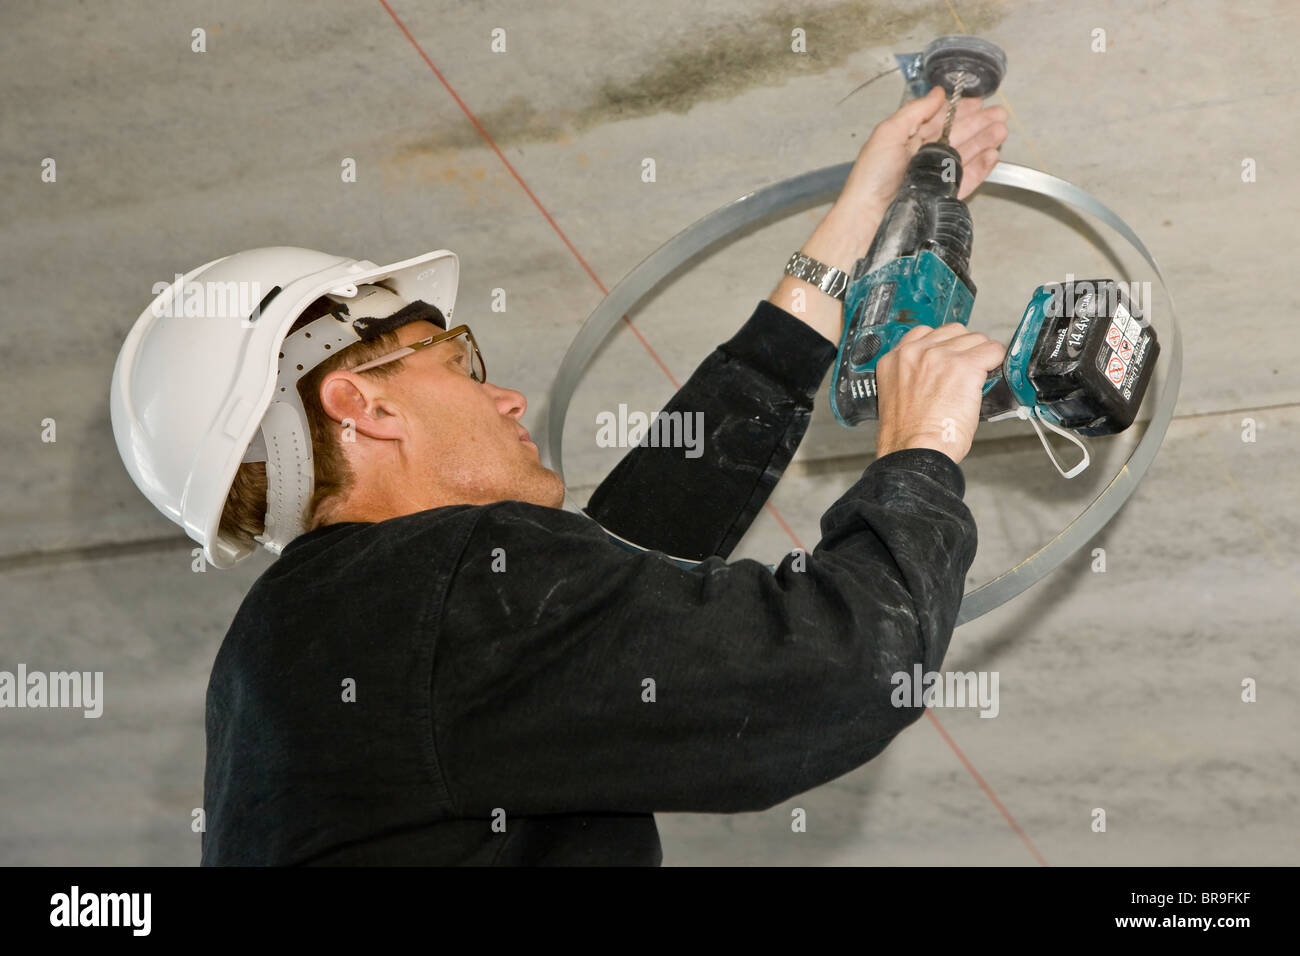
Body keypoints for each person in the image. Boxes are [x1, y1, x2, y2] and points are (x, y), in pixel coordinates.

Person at [111, 87, 1008, 865]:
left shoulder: (312, 641)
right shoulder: (427, 594)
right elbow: (839, 667)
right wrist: (922, 443)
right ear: (363, 406)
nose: (505, 399)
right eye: (457, 365)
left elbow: (623, 551)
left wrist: (859, 219)